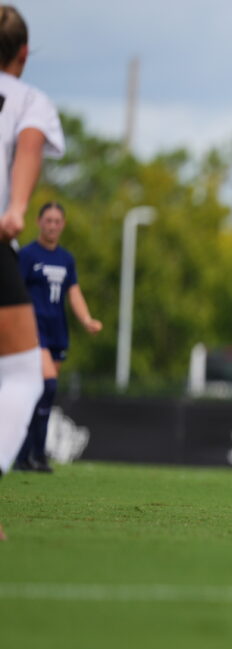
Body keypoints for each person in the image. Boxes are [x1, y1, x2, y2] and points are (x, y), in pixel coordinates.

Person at [0, 5, 66, 539]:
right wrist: (18, 207)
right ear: (23, 53)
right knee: (24, 375)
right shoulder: (27, 100)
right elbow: (28, 146)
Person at [14, 202, 101, 472]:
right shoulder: (27, 255)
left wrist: (86, 319)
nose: (52, 226)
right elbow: (14, 290)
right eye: (48, 220)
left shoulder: (66, 259)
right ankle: (33, 454)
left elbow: (73, 292)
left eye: (57, 221)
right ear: (39, 222)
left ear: (63, 225)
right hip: (33, 330)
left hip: (57, 331)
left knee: (43, 395)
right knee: (48, 384)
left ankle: (30, 455)